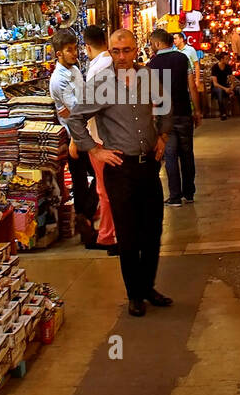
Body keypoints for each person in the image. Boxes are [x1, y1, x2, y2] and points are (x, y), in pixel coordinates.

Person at [66, 29, 173, 317]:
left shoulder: (148, 76)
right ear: (110, 52)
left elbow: (166, 106)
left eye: (127, 50)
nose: (122, 56)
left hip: (148, 165)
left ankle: (148, 286)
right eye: (116, 51)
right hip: (120, 168)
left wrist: (162, 136)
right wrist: (95, 150)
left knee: (153, 229)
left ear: (136, 49)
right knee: (128, 233)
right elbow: (75, 120)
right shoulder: (101, 83)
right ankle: (134, 294)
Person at [48, 30, 100, 246]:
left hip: (85, 132)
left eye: (75, 48)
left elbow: (82, 102)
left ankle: (84, 219)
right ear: (59, 54)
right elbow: (75, 111)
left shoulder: (76, 70)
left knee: (87, 180)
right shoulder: (58, 80)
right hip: (75, 137)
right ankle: (84, 220)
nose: (74, 53)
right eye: (69, 50)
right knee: (89, 179)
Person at [149, 28, 200, 207]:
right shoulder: (182, 58)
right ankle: (189, 192)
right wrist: (197, 111)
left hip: (164, 117)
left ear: (157, 43)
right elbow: (192, 86)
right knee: (187, 153)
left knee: (170, 155)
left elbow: (151, 96)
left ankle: (175, 196)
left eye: (152, 43)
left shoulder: (152, 65)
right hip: (184, 112)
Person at [83, 24, 118, 253]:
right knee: (104, 189)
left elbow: (91, 107)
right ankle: (108, 233)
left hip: (101, 139)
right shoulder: (104, 64)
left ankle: (110, 236)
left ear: (87, 47)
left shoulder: (100, 68)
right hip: (103, 137)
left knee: (106, 190)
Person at [210, 50, 240, 119]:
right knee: (220, 91)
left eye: (228, 58)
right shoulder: (215, 68)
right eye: (226, 59)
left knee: (238, 89)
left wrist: (232, 87)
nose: (228, 60)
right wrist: (225, 89)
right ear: (221, 59)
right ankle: (223, 113)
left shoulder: (228, 67)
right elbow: (215, 84)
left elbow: (232, 79)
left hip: (226, 85)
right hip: (218, 87)